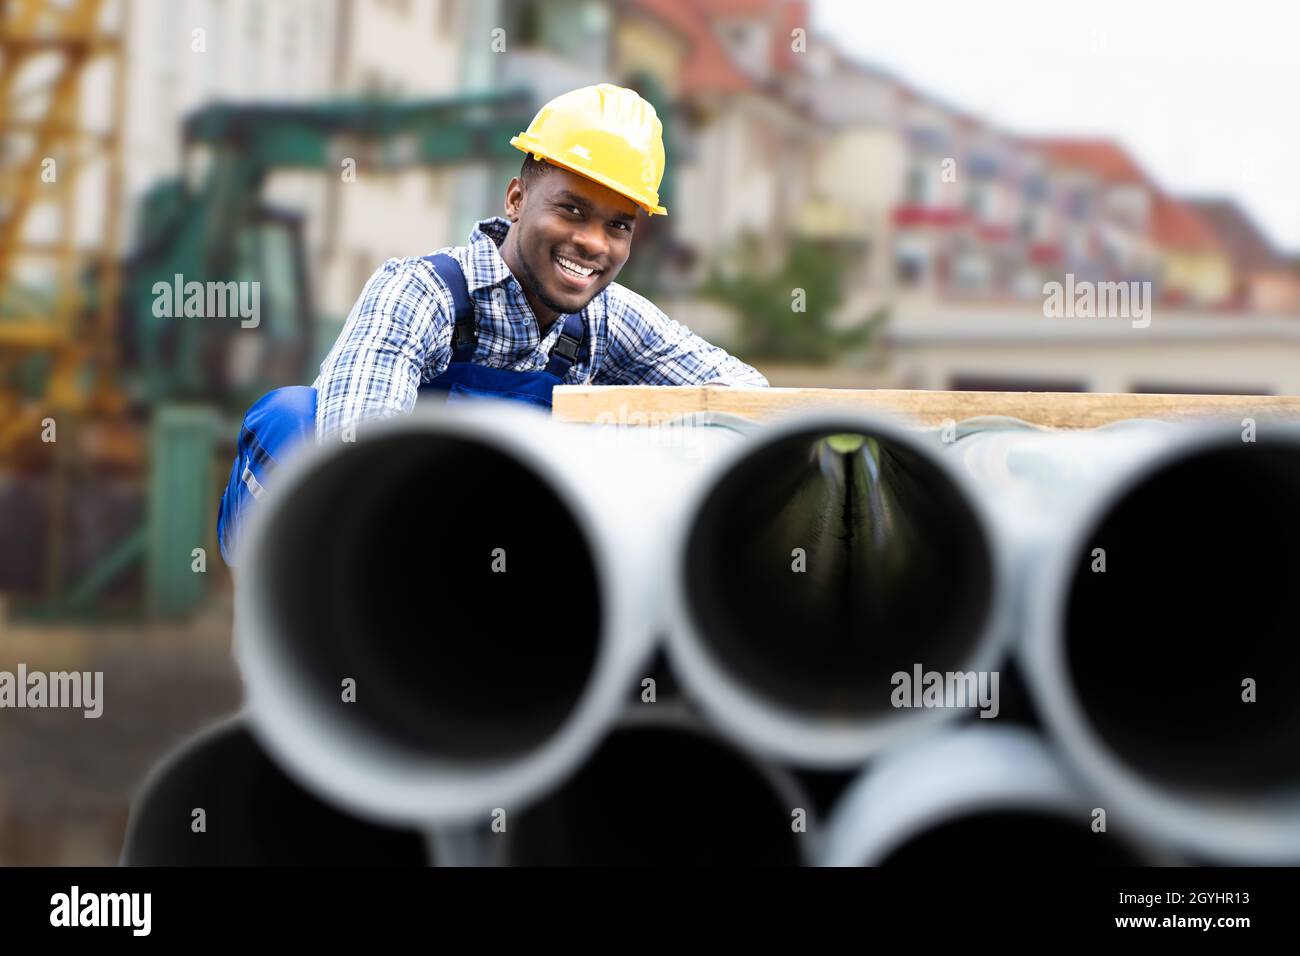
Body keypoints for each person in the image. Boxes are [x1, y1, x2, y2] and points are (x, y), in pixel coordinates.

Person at [218, 82, 768, 566]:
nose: (593, 243)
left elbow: (749, 400)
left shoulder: (607, 316)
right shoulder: (420, 293)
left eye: (617, 226)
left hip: (500, 567)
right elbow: (357, 454)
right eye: (572, 210)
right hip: (360, 549)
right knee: (291, 419)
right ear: (516, 199)